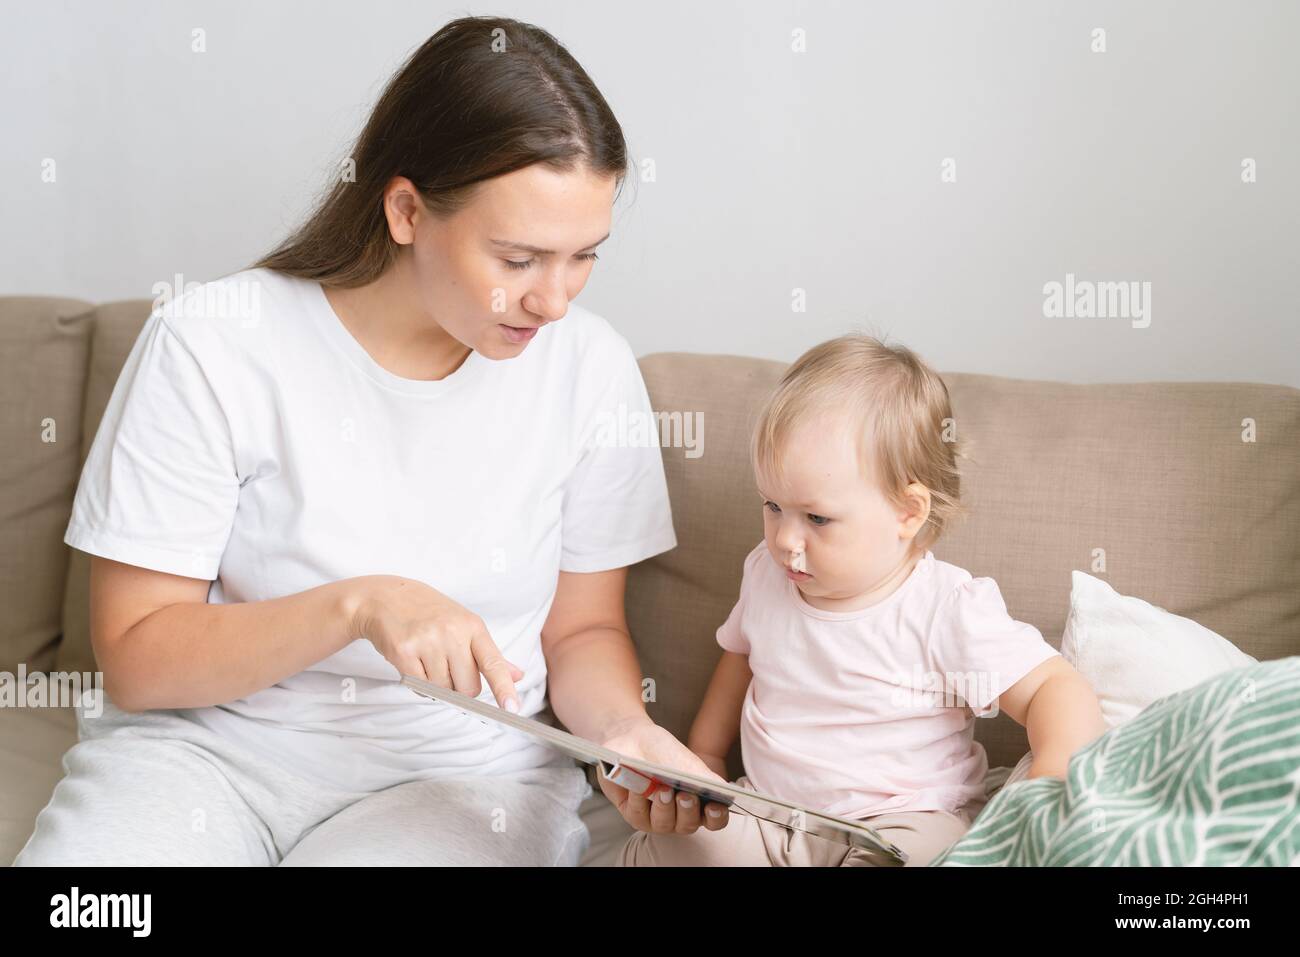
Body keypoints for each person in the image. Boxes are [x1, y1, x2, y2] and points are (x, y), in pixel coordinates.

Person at [16, 15, 722, 868]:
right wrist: (360, 605)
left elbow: (580, 632)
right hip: (202, 756)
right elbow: (134, 654)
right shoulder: (214, 340)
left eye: (584, 257)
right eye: (519, 259)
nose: (555, 301)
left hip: (460, 780)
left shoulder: (591, 371)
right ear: (405, 211)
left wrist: (622, 730)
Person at [619, 334, 1109, 866]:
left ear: (908, 511)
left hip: (903, 820)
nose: (785, 538)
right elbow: (739, 662)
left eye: (817, 518)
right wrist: (706, 762)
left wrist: (1052, 782)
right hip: (767, 815)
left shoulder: (944, 606)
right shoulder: (765, 570)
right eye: (772, 505)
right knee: (674, 845)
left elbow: (1053, 688)